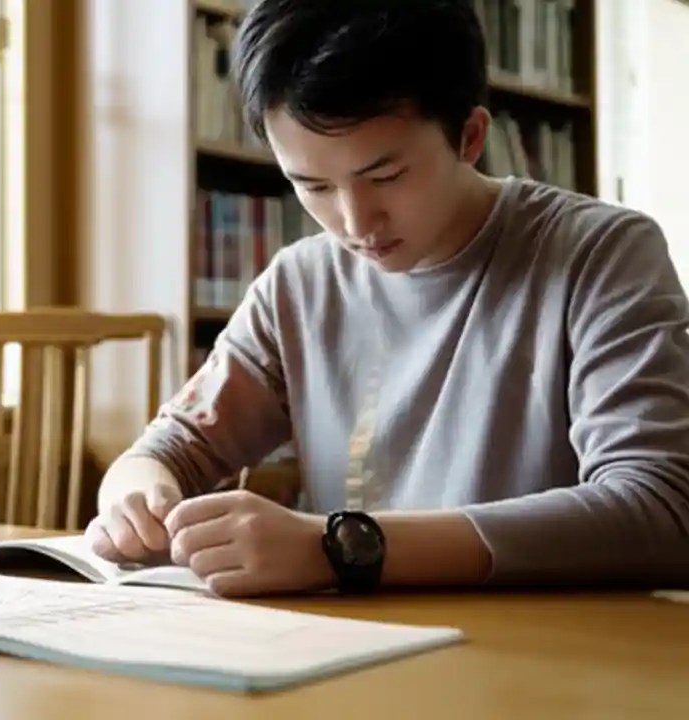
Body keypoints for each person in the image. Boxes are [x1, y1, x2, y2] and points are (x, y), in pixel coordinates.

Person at [85, 0, 689, 597]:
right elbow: (171, 451)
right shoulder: (297, 285)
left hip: (554, 660)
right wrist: (137, 494)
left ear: (470, 135)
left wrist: (341, 550)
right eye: (313, 185)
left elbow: (661, 510)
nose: (354, 223)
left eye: (386, 177)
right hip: (358, 664)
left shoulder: (601, 254)